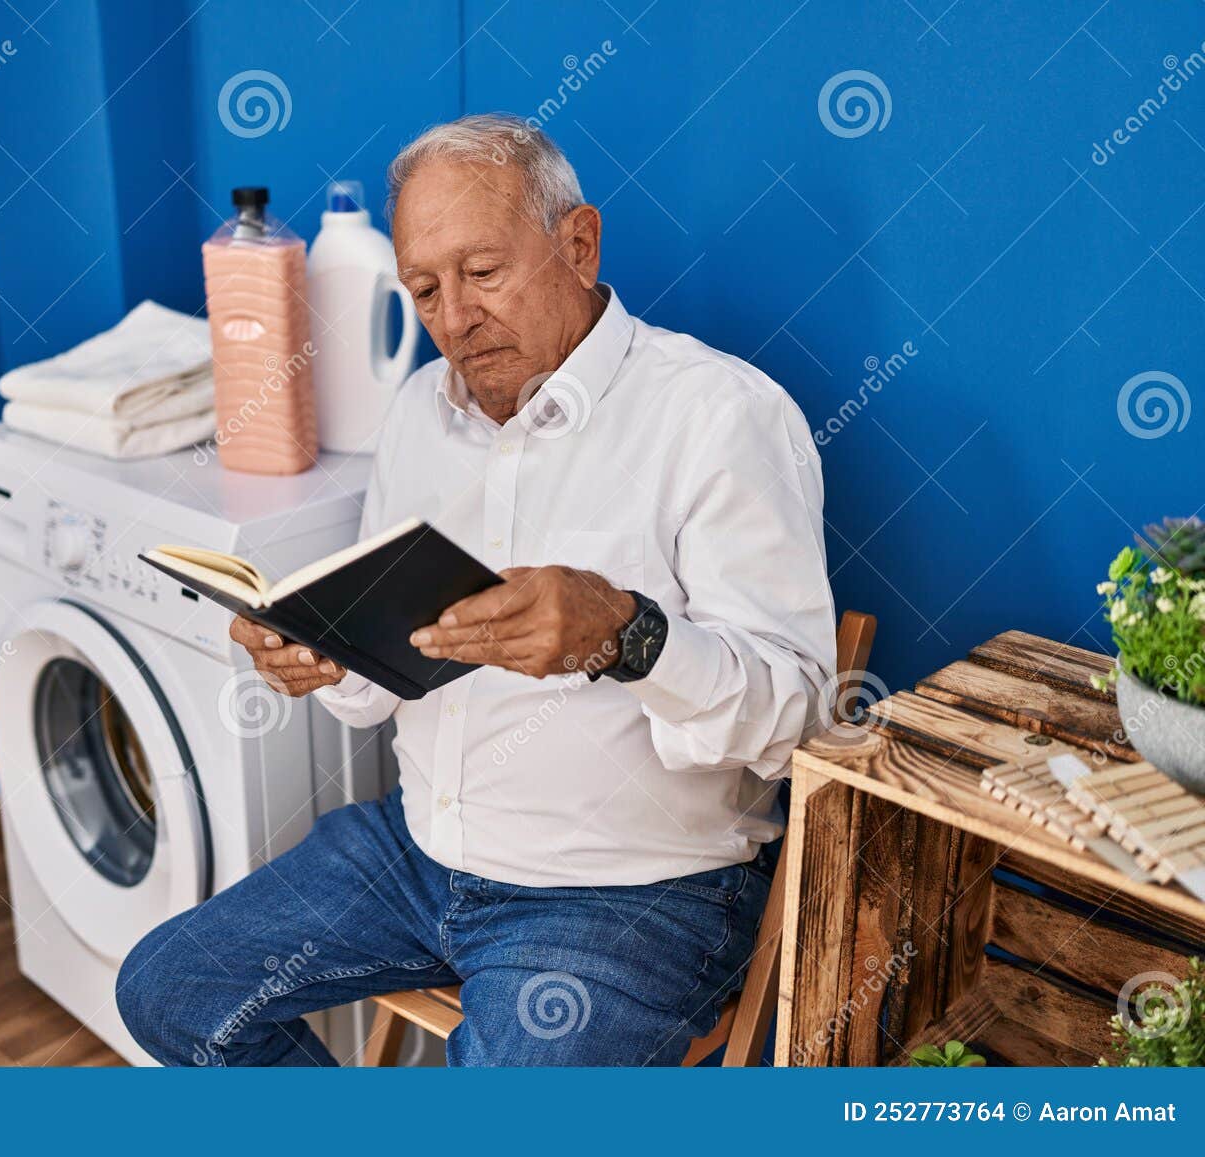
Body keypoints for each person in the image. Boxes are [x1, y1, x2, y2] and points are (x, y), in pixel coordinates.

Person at [116, 113, 836, 1066]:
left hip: (633, 889)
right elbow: (384, 681)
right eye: (424, 289)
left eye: (483, 273)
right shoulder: (420, 411)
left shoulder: (721, 417)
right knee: (168, 989)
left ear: (578, 244)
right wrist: (324, 651)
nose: (453, 317)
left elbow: (800, 721)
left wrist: (630, 636)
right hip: (417, 853)